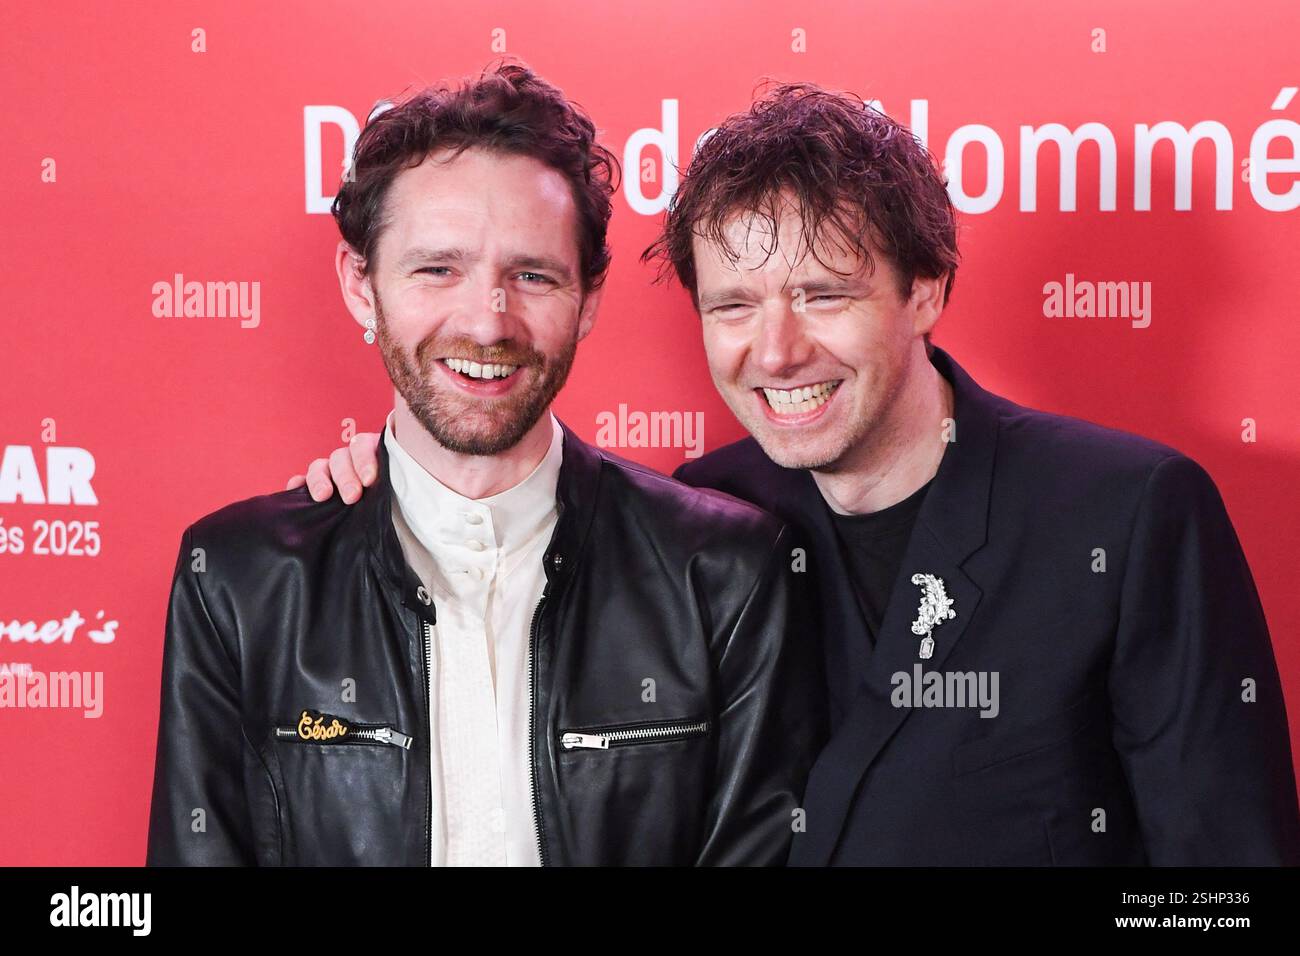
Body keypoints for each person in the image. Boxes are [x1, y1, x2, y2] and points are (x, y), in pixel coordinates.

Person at [300, 81, 1300, 865]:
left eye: (823, 293)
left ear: (925, 287)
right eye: (733, 306)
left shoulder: (1125, 512)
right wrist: (394, 488)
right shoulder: (707, 512)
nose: (775, 352)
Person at [147, 64, 822, 867]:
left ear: (589, 300)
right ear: (361, 288)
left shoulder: (723, 573)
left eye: (531, 276)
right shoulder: (239, 579)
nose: (487, 321)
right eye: (438, 268)